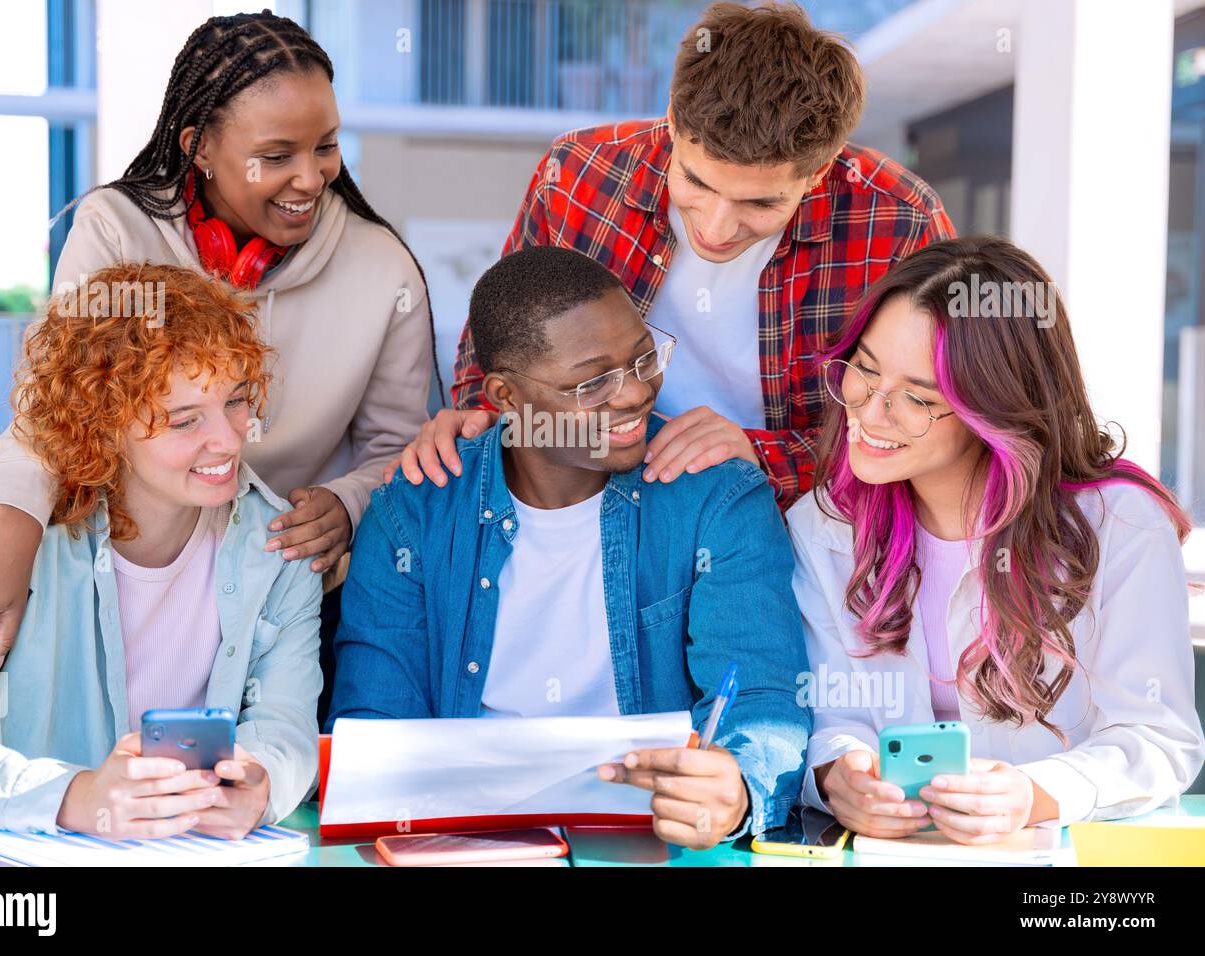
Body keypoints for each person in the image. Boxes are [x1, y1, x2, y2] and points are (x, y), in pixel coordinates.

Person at [0, 12, 433, 722]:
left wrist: (348, 502)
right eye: (276, 155)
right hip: (126, 556)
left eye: (328, 146)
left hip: (282, 580)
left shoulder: (384, 268)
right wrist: (11, 525)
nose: (311, 177)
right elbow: (53, 402)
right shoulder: (115, 230)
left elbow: (399, 448)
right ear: (200, 147)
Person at [329, 247, 810, 849]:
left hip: (650, 834)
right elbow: (375, 724)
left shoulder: (717, 496)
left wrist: (739, 787)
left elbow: (763, 698)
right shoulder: (414, 510)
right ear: (504, 396)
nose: (635, 394)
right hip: (464, 838)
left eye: (643, 359)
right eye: (593, 382)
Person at [389, 0, 953, 508]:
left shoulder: (900, 220)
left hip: (800, 511)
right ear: (673, 121)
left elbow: (935, 417)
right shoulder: (578, 175)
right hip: (600, 487)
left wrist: (765, 454)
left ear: (821, 169)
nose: (715, 227)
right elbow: (500, 338)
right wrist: (476, 417)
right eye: (697, 183)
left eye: (759, 203)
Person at [787, 236, 1205, 843]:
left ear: (999, 411)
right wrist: (837, 774)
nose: (871, 413)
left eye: (917, 399)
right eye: (865, 370)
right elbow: (829, 717)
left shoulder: (1121, 526)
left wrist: (1035, 794)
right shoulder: (824, 524)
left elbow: (1159, 739)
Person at [0, 264, 322, 839]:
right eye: (184, 420)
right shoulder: (6, 547)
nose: (229, 440)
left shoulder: (280, 546)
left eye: (237, 400)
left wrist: (261, 780)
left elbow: (285, 725)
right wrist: (73, 797)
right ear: (100, 428)